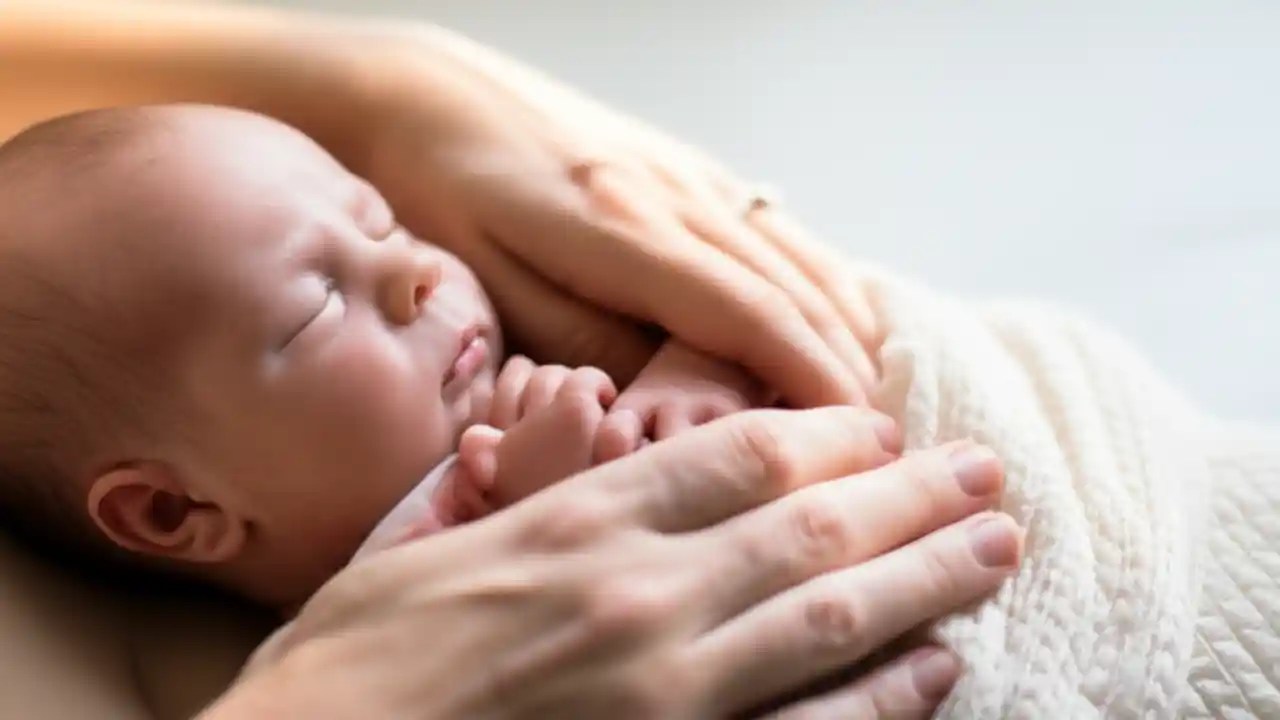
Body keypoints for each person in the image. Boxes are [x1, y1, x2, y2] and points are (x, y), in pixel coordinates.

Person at [0, 2, 1025, 717]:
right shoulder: (371, 619)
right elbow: (586, 593)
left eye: (384, 222)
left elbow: (754, 358)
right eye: (315, 304)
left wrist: (684, 380)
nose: (413, 275)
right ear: (176, 515)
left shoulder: (497, 371)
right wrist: (545, 489)